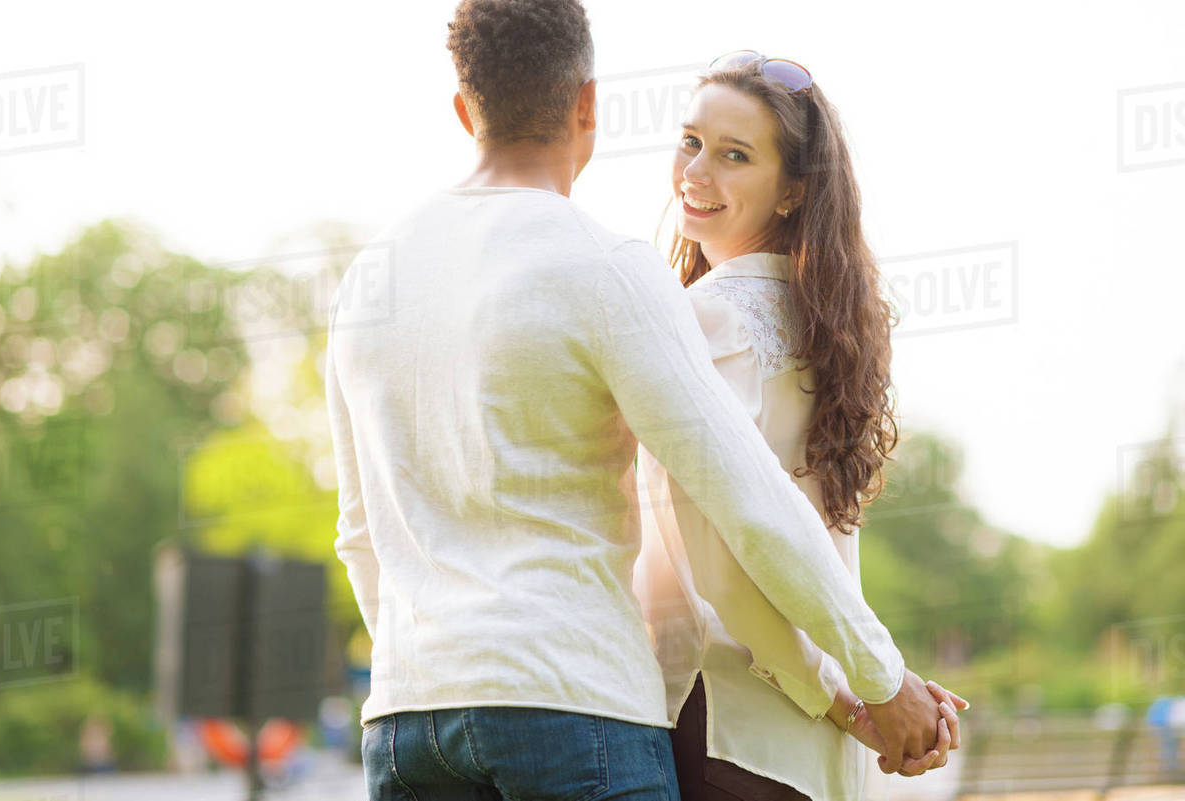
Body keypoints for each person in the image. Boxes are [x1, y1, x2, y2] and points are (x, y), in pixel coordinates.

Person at [324, 2, 945, 799]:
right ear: (588, 105)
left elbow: (359, 533)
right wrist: (879, 677)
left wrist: (438, 666)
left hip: (408, 717)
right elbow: (744, 498)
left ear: (462, 109)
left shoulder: (367, 280)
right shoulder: (609, 268)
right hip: (572, 705)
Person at [632, 51, 967, 801]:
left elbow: (726, 551)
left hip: (724, 724)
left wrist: (852, 696)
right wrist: (872, 691)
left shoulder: (711, 317)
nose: (695, 171)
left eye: (734, 155)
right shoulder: (827, 326)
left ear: (791, 192)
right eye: (690, 141)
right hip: (803, 748)